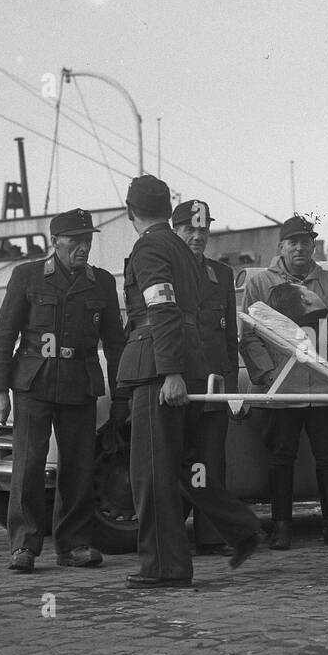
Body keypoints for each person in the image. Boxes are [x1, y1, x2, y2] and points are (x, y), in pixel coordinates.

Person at [117, 175, 264, 589]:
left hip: (158, 367)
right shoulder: (184, 252)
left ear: (131, 212)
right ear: (168, 208)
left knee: (152, 471)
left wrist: (170, 372)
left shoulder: (149, 247)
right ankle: (241, 529)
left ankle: (165, 567)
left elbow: (161, 308)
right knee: (186, 467)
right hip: (188, 362)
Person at [0, 208, 127, 572]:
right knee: (28, 464)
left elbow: (114, 343)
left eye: (88, 241)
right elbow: (4, 335)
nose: (83, 247)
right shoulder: (27, 276)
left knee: (78, 467)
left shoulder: (102, 283)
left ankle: (75, 544)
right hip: (34, 382)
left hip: (80, 382)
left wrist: (122, 394)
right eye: (75, 241)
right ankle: (24, 546)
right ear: (55, 242)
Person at [239, 216, 328, 551]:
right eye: (293, 242)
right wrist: (269, 377)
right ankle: (281, 527)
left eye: (306, 242)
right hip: (281, 388)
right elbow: (249, 338)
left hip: (324, 388)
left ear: (314, 246)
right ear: (281, 247)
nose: (300, 248)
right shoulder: (260, 283)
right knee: (280, 456)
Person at [171, 198, 239, 557]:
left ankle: (211, 536)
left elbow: (230, 340)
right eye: (190, 229)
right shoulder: (164, 270)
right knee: (174, 461)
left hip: (213, 387)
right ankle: (169, 536)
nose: (198, 236)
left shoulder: (221, 274)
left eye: (203, 229)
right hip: (177, 384)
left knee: (211, 461)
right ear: (176, 230)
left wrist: (232, 388)